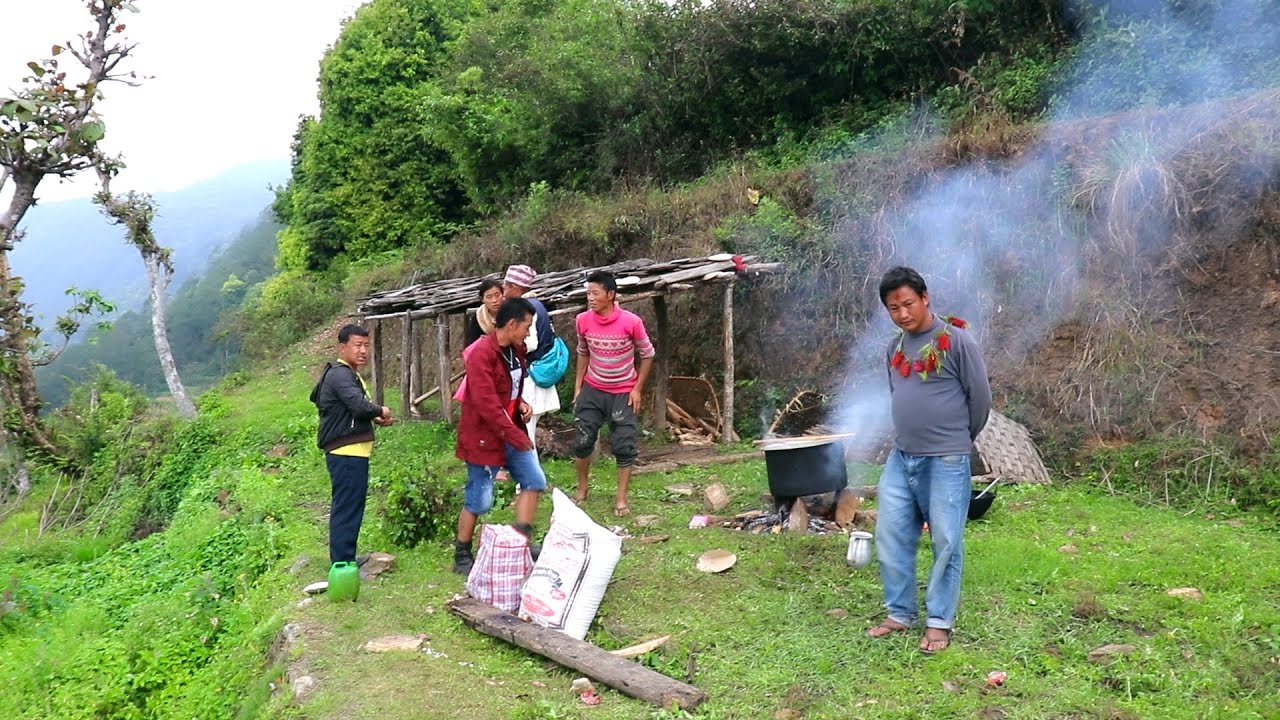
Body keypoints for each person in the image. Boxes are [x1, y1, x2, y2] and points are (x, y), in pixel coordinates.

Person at [867, 266, 991, 654]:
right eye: (893, 308)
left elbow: (981, 401)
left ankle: (939, 622)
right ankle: (899, 612)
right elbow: (895, 392)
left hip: (946, 459)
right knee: (890, 533)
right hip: (902, 456)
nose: (902, 313)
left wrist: (956, 440)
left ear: (925, 298)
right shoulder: (895, 348)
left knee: (946, 540)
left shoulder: (956, 341)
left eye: (907, 304)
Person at [452, 297, 548, 574]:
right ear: (511, 324)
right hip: (483, 436)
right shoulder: (481, 354)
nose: (529, 333)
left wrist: (519, 404)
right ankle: (462, 553)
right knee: (479, 498)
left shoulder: (514, 350)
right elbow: (487, 405)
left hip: (510, 428)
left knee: (534, 480)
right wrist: (518, 437)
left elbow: (509, 388)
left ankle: (522, 543)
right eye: (527, 326)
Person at [571, 270, 655, 517]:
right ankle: (582, 489)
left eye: (595, 293)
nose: (590, 298)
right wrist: (578, 386)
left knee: (624, 444)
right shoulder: (583, 321)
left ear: (611, 295)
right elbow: (583, 351)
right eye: (588, 293)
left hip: (623, 393)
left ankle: (620, 499)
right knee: (583, 440)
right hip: (593, 389)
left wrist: (637, 389)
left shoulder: (631, 322)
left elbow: (648, 354)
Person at [310, 324, 394, 569]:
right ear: (342, 347)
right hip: (346, 453)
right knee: (347, 507)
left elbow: (351, 409)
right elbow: (358, 405)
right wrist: (381, 410)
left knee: (350, 505)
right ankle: (343, 562)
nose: (363, 350)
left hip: (351, 452)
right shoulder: (340, 374)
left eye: (366, 345)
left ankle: (345, 558)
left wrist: (373, 418)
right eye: (357, 345)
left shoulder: (347, 373)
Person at [502, 264, 561, 448]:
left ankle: (530, 476)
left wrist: (507, 348)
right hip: (533, 375)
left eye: (505, 286)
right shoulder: (536, 305)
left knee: (525, 434)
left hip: (531, 377)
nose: (503, 292)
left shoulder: (528, 309)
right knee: (525, 432)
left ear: (514, 287)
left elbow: (532, 343)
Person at [464, 278, 505, 347]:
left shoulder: (512, 313)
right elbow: (472, 346)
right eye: (489, 297)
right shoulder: (478, 319)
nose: (494, 300)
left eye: (497, 295)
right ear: (482, 299)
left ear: (503, 294)